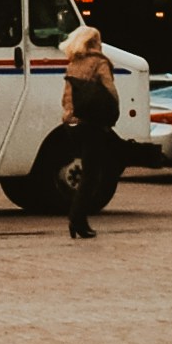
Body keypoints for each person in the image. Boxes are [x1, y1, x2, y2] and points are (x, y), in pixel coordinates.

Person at [58, 26, 122, 244]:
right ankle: (77, 219)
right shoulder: (100, 62)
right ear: (95, 42)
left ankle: (78, 219)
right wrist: (113, 114)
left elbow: (67, 96)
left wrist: (69, 116)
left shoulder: (74, 63)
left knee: (87, 170)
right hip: (94, 124)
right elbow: (110, 91)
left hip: (75, 124)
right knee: (92, 175)